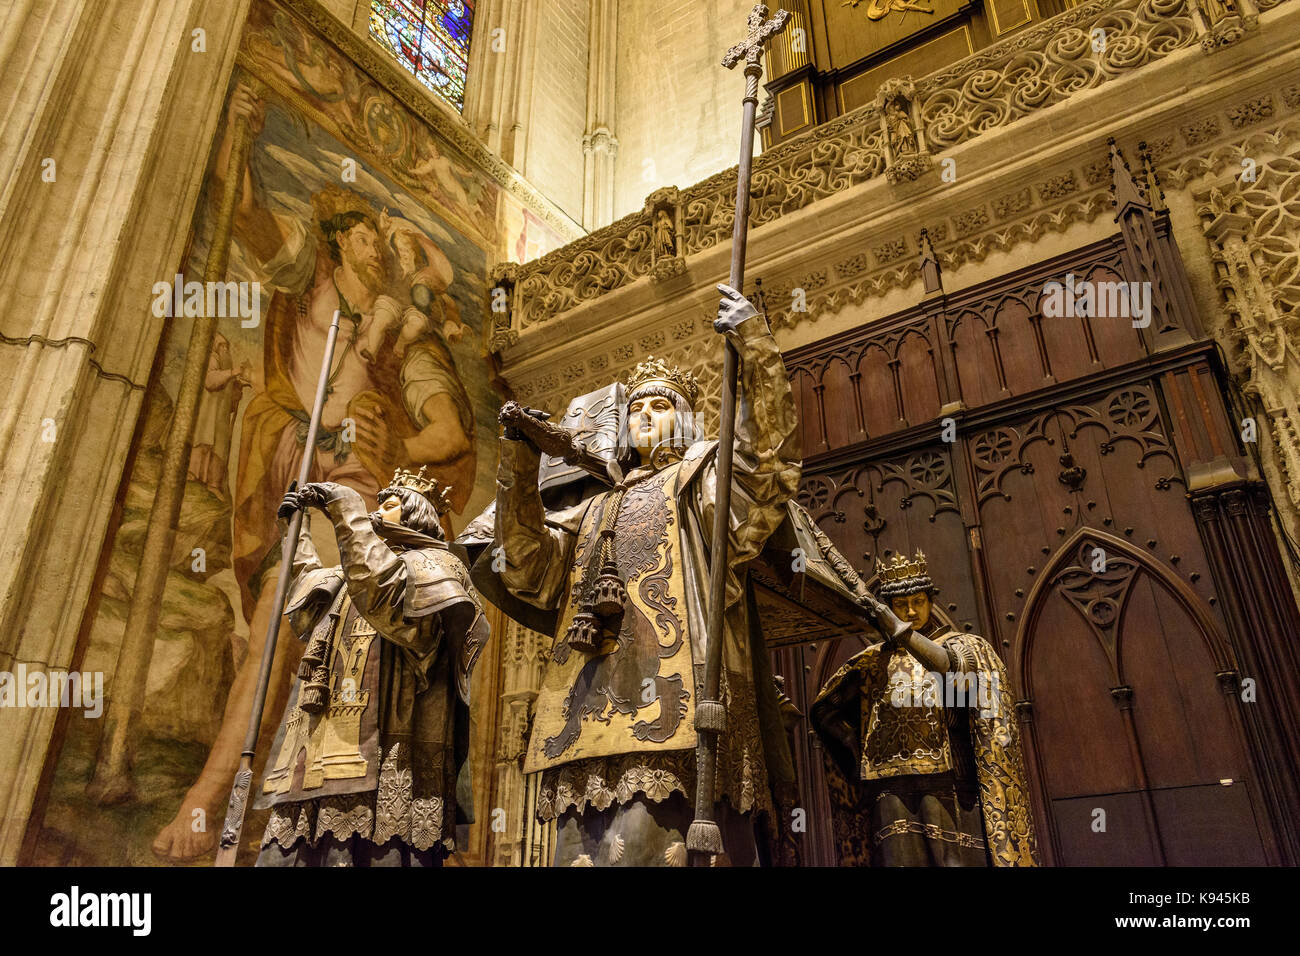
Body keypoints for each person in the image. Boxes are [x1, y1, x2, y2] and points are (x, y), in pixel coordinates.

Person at [492, 284, 801, 866]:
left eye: (661, 407)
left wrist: (755, 345)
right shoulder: (594, 509)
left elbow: (764, 472)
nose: (644, 417)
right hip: (588, 720)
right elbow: (525, 563)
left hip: (680, 716)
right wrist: (517, 455)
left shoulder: (699, 481)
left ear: (688, 422)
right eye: (635, 407)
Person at [254, 467, 488, 866]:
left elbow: (382, 592)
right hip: (320, 748)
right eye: (376, 506)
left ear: (418, 516)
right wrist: (296, 529)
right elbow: (309, 584)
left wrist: (347, 505)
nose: (378, 513)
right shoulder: (354, 570)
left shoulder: (436, 567)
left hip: (389, 748)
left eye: (392, 506)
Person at [810, 549, 1040, 866]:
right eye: (901, 605)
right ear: (889, 608)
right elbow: (825, 709)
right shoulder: (871, 661)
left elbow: (956, 673)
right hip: (888, 780)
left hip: (949, 777)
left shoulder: (961, 646)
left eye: (918, 601)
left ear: (931, 602)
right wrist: (851, 740)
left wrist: (900, 632)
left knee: (953, 860)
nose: (910, 611)